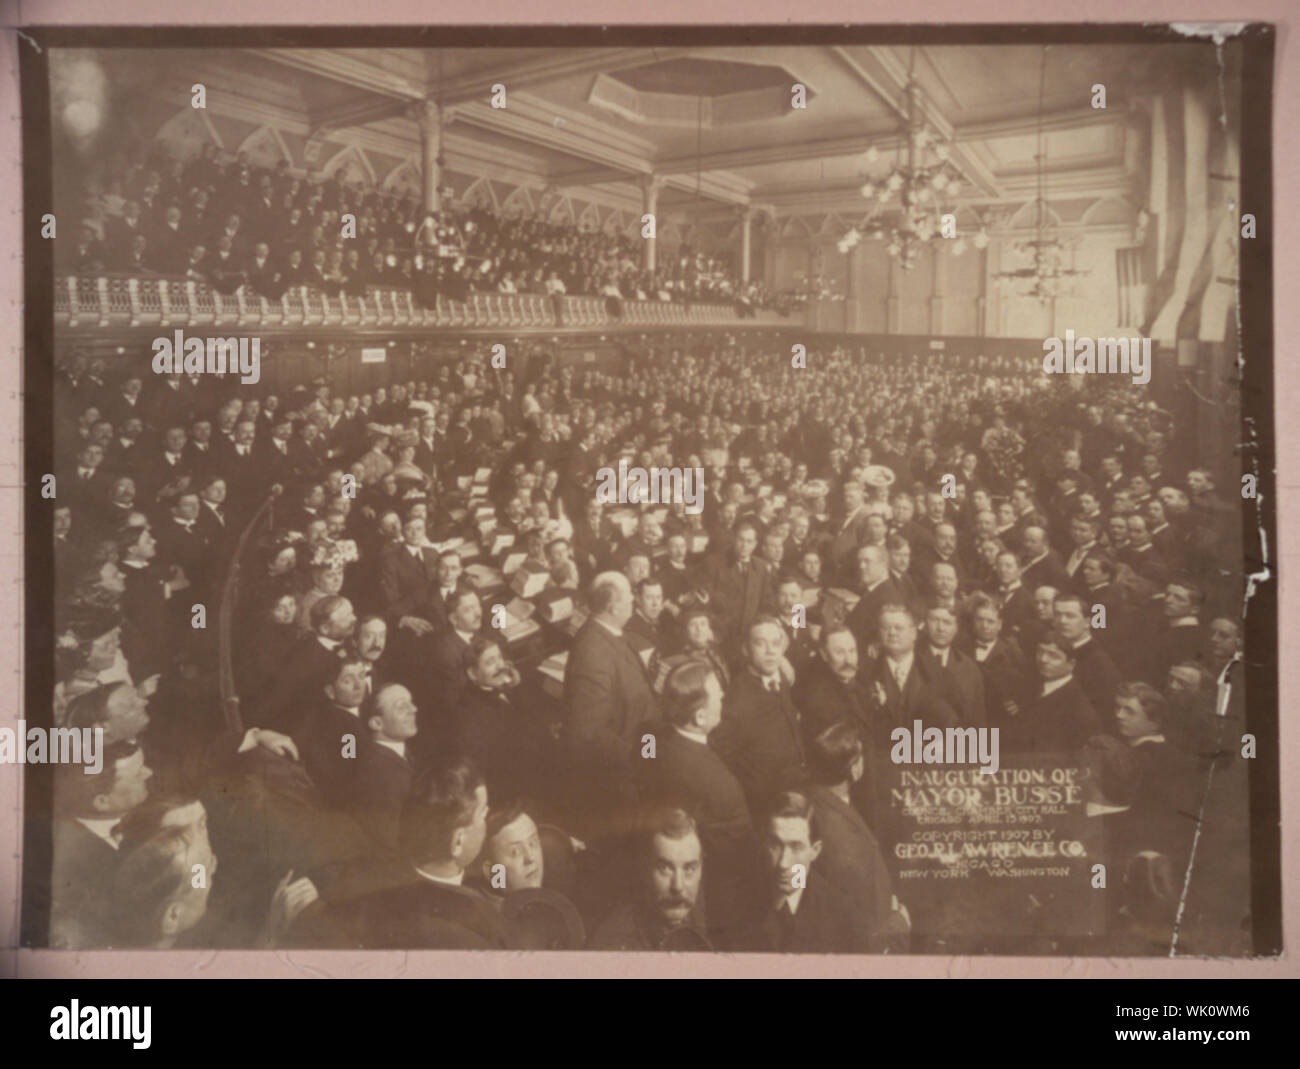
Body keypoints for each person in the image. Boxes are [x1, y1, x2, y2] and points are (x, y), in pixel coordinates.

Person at [742, 789, 872, 953]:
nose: (784, 862)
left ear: (815, 850)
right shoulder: (738, 910)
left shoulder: (846, 920)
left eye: (796, 847)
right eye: (775, 845)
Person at [588, 808, 711, 951]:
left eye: (689, 869)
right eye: (665, 868)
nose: (678, 886)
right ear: (645, 869)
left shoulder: (696, 906)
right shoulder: (611, 947)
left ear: (701, 869)